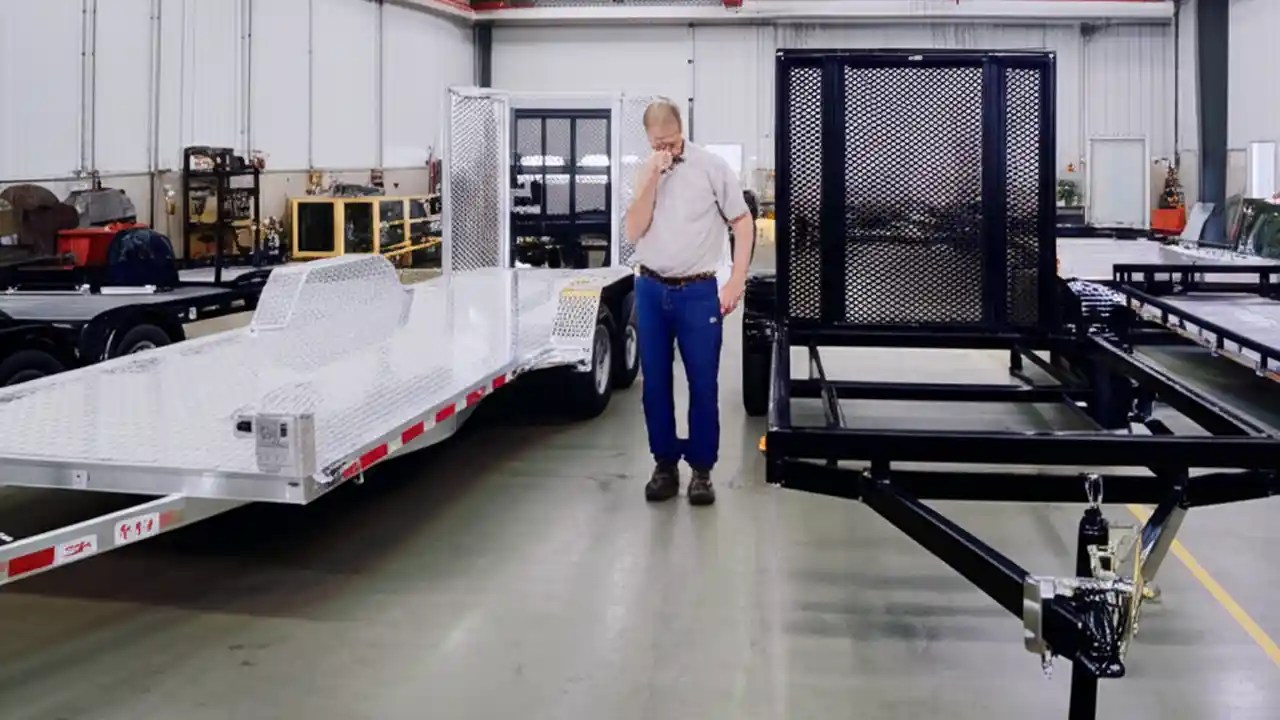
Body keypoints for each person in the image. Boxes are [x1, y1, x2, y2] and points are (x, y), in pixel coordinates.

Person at [624, 98, 755, 506]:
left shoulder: (712, 168)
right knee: (655, 385)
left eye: (673, 142)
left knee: (702, 383)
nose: (667, 150)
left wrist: (736, 279)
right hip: (650, 289)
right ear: (648, 139)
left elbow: (743, 221)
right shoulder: (643, 171)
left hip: (698, 292)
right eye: (658, 143)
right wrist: (650, 180)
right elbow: (633, 230)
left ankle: (701, 471)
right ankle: (665, 465)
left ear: (683, 130)